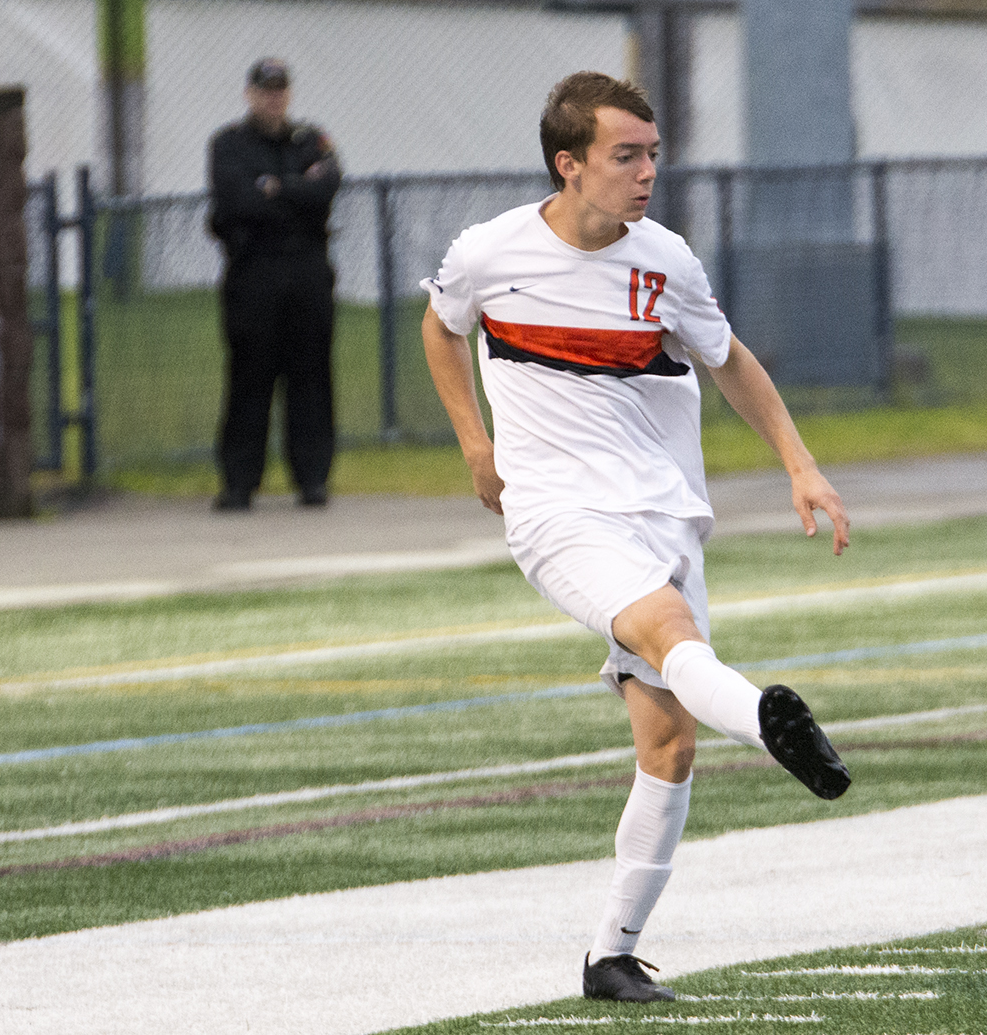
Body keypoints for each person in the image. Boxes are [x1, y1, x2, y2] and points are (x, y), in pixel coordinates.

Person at [420, 72, 853, 1004]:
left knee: (667, 745)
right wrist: (474, 440)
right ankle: (768, 724)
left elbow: (729, 360)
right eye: (627, 155)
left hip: (663, 510)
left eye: (653, 153)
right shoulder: (490, 252)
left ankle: (611, 954)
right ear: (569, 164)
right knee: (666, 629)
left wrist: (799, 463)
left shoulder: (666, 262)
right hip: (554, 512)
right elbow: (442, 326)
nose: (648, 171)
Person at [207, 57, 342, 511]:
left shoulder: (311, 141)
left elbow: (325, 189)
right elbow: (234, 201)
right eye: (265, 91)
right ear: (250, 94)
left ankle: (312, 479)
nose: (273, 98)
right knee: (250, 377)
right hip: (254, 274)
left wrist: (273, 188)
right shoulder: (229, 146)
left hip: (306, 272)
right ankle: (239, 483)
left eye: (280, 91)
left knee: (310, 376)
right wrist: (293, 191)